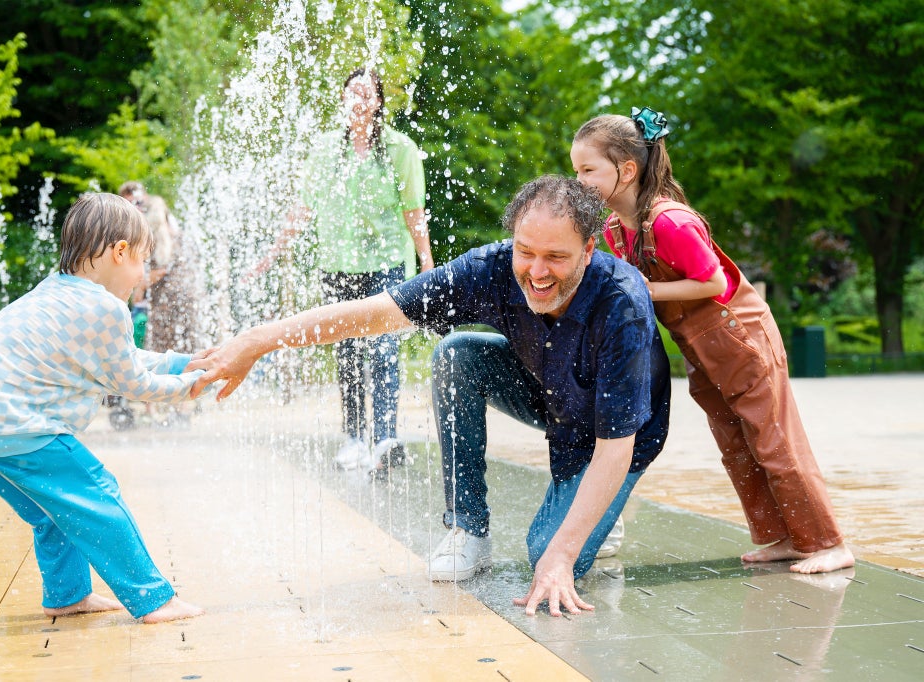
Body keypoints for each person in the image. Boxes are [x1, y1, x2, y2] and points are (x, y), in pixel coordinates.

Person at [190, 176, 671, 617]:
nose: (537, 271)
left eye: (556, 258)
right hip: (548, 394)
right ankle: (467, 528)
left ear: (589, 248)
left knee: (545, 553)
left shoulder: (622, 304)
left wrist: (561, 556)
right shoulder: (491, 269)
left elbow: (615, 446)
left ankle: (603, 507)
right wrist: (258, 339)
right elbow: (376, 313)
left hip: (619, 436)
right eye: (526, 251)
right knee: (457, 353)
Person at [570, 107, 855, 574]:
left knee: (774, 443)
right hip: (702, 351)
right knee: (735, 446)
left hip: (741, 340)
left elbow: (711, 283)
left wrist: (648, 289)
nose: (577, 180)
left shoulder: (670, 222)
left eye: (587, 170)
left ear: (626, 170)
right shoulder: (614, 231)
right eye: (575, 169)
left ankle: (828, 542)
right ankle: (781, 536)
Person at [0, 193, 209, 624]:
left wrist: (184, 363)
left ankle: (67, 595)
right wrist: (193, 385)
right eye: (141, 261)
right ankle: (155, 600)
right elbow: (133, 383)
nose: (142, 276)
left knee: (51, 509)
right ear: (120, 253)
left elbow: (126, 359)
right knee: (95, 492)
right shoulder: (105, 308)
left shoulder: (58, 293)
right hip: (13, 421)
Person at [254, 67, 434, 472]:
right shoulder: (323, 150)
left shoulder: (400, 149)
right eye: (353, 91)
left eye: (367, 92)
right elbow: (304, 206)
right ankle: (354, 437)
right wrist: (275, 251)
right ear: (343, 98)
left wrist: (426, 261)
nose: (359, 98)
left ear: (378, 102)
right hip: (338, 262)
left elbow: (414, 210)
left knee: (385, 347)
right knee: (349, 350)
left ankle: (385, 437)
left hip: (387, 259)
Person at [118, 181, 203, 426]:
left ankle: (176, 409)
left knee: (165, 349)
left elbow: (163, 264)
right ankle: (179, 408)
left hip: (172, 294)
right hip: (182, 294)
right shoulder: (160, 217)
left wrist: (141, 286)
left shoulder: (155, 216)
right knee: (177, 348)